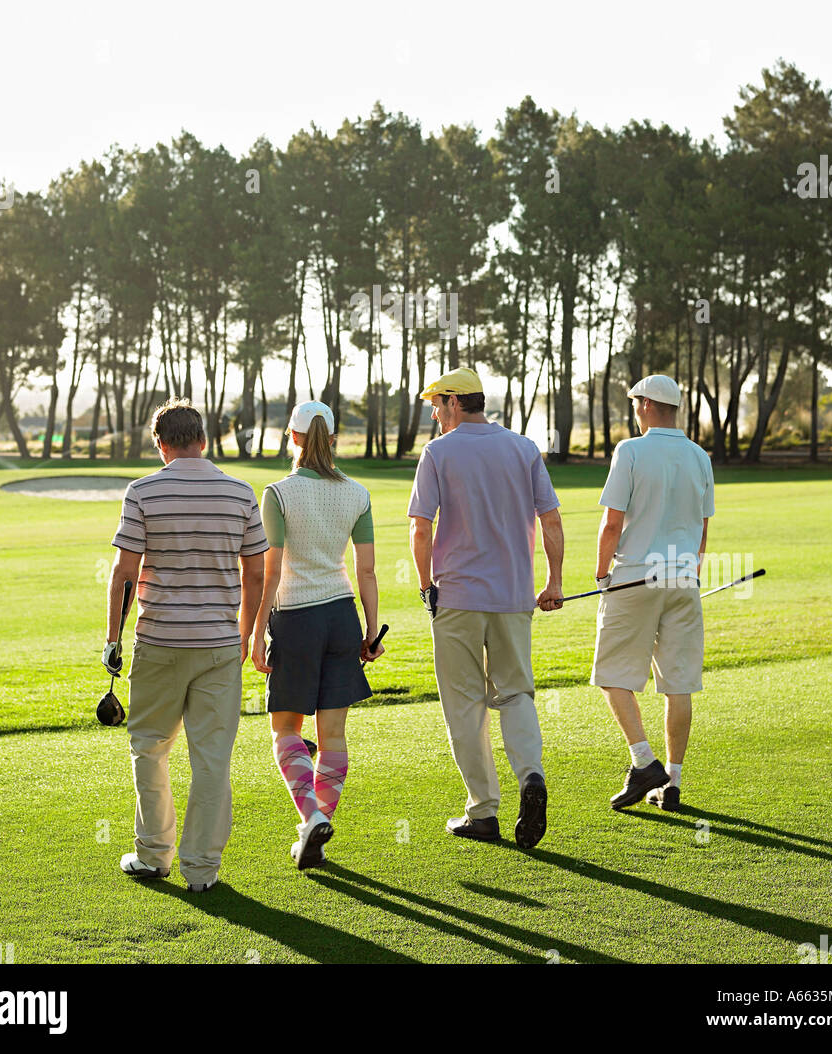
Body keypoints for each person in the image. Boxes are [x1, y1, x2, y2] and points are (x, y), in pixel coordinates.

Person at [103, 398, 267, 891]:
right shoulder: (240, 492)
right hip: (220, 645)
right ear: (203, 439)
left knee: (149, 748)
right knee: (212, 759)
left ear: (161, 444)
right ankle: (202, 871)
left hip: (159, 642)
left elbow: (124, 573)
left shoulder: (143, 491)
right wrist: (244, 633)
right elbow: (257, 572)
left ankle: (154, 856)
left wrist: (111, 639)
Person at [407, 366, 563, 849]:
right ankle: (531, 776)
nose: (434, 413)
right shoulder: (524, 448)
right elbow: (552, 521)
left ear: (455, 401)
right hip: (515, 595)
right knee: (516, 694)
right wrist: (553, 582)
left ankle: (483, 811)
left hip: (457, 597)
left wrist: (424, 583)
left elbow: (420, 528)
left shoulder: (438, 452)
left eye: (437, 404)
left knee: (464, 704)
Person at [251, 401, 383, 871]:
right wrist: (370, 628)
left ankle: (310, 819)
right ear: (331, 438)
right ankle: (318, 832)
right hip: (343, 617)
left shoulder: (277, 493)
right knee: (333, 736)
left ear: (294, 437)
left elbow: (270, 572)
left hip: (297, 619)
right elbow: (365, 570)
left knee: (286, 729)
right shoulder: (357, 493)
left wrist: (256, 631)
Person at [584, 373, 714, 812]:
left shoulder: (631, 450)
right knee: (678, 683)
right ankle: (671, 783)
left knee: (613, 676)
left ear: (644, 405)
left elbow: (612, 523)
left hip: (635, 576)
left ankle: (644, 763)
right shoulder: (699, 456)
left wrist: (602, 574)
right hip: (682, 579)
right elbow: (702, 528)